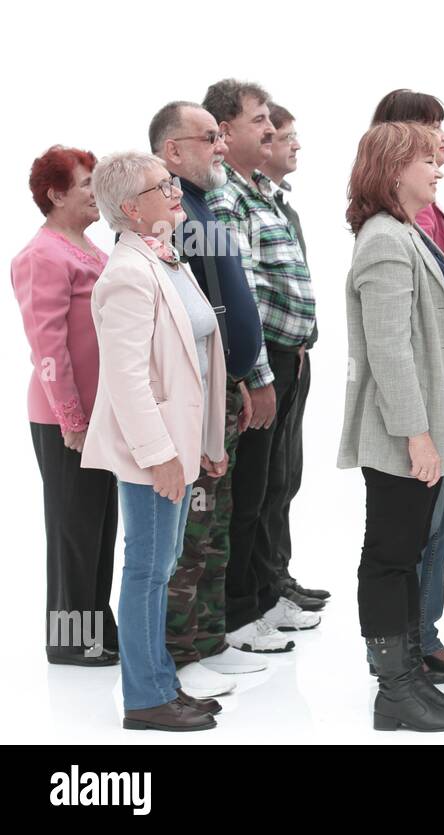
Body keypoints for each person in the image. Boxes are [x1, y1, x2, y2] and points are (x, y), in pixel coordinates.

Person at [338, 121, 444, 732]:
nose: (438, 167)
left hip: (416, 429)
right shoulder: (384, 241)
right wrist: (417, 433)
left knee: (404, 551)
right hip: (400, 434)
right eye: (427, 160)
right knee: (391, 558)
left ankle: (410, 679)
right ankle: (392, 689)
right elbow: (389, 349)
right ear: (394, 170)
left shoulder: (403, 233)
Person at [83, 151, 227, 730]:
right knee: (147, 567)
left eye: (171, 184)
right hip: (152, 451)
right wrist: (161, 455)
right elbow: (126, 379)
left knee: (161, 564)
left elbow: (194, 358)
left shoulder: (167, 259)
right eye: (160, 186)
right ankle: (145, 698)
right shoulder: (126, 274)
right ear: (128, 208)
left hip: (179, 443)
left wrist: (206, 442)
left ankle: (162, 679)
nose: (174, 193)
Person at [148, 101, 276, 691]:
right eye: (208, 138)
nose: (221, 145)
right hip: (194, 396)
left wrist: (246, 375)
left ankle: (207, 638)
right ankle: (178, 653)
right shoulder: (166, 216)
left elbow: (229, 297)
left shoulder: (204, 207)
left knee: (216, 522)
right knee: (193, 529)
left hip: (223, 388)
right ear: (173, 150)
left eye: (222, 136)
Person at [371, 89, 444, 680]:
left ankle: (422, 633)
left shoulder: (431, 213)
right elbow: (404, 334)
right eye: (426, 127)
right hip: (430, 395)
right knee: (423, 522)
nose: (441, 138)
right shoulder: (399, 227)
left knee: (441, 516)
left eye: (441, 125)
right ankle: (411, 643)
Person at [202, 79, 321, 646]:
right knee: (247, 496)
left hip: (281, 357)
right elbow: (240, 290)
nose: (271, 131)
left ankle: (264, 599)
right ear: (224, 132)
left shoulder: (258, 191)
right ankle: (240, 617)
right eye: (259, 121)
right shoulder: (227, 197)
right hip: (262, 359)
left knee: (270, 485)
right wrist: (259, 376)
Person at [13, 145, 119, 666]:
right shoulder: (42, 256)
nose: (95, 193)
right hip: (66, 419)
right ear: (56, 195)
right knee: (73, 531)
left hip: (102, 414)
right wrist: (71, 419)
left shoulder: (90, 248)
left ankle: (99, 628)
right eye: (84, 186)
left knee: (99, 527)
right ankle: (70, 640)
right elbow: (47, 346)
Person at [261, 101, 329, 612]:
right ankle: (263, 586)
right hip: (267, 360)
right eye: (284, 136)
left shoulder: (285, 207)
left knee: (287, 472)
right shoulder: (237, 206)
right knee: (265, 478)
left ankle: (278, 573)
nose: (294, 144)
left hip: (296, 356)